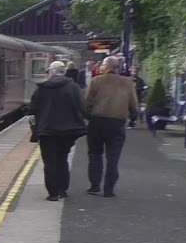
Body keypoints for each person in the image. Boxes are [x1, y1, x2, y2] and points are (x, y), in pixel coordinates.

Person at [29, 60, 88, 201]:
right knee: (62, 158)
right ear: (63, 71)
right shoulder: (74, 87)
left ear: (51, 72)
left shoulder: (41, 88)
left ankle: (53, 193)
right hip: (68, 131)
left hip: (47, 130)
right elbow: (82, 108)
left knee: (49, 161)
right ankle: (63, 189)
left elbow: (31, 109)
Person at [83, 55, 140, 197]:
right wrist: (133, 118)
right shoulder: (127, 83)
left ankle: (95, 186)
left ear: (107, 66)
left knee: (95, 154)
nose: (101, 67)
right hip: (117, 124)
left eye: (102, 64)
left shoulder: (96, 81)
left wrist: (88, 117)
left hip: (97, 122)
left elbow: (87, 103)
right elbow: (134, 105)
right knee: (113, 157)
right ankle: (109, 189)